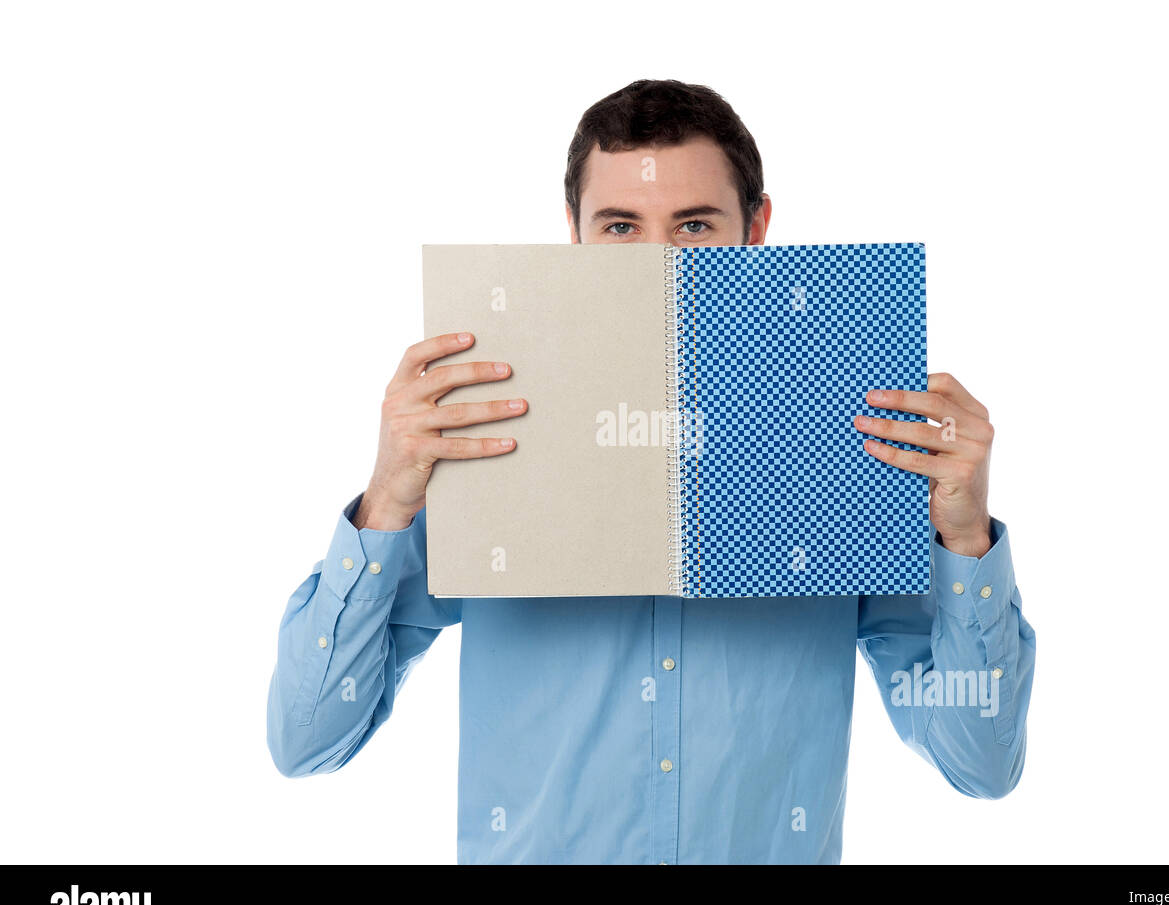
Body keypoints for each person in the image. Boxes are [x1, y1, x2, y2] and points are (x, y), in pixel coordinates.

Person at [266, 78, 1037, 864]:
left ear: (757, 228)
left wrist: (965, 537)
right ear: (574, 232)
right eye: (621, 226)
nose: (657, 262)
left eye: (695, 225)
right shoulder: (486, 439)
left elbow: (979, 761)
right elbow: (307, 737)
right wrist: (388, 503)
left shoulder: (848, 450)